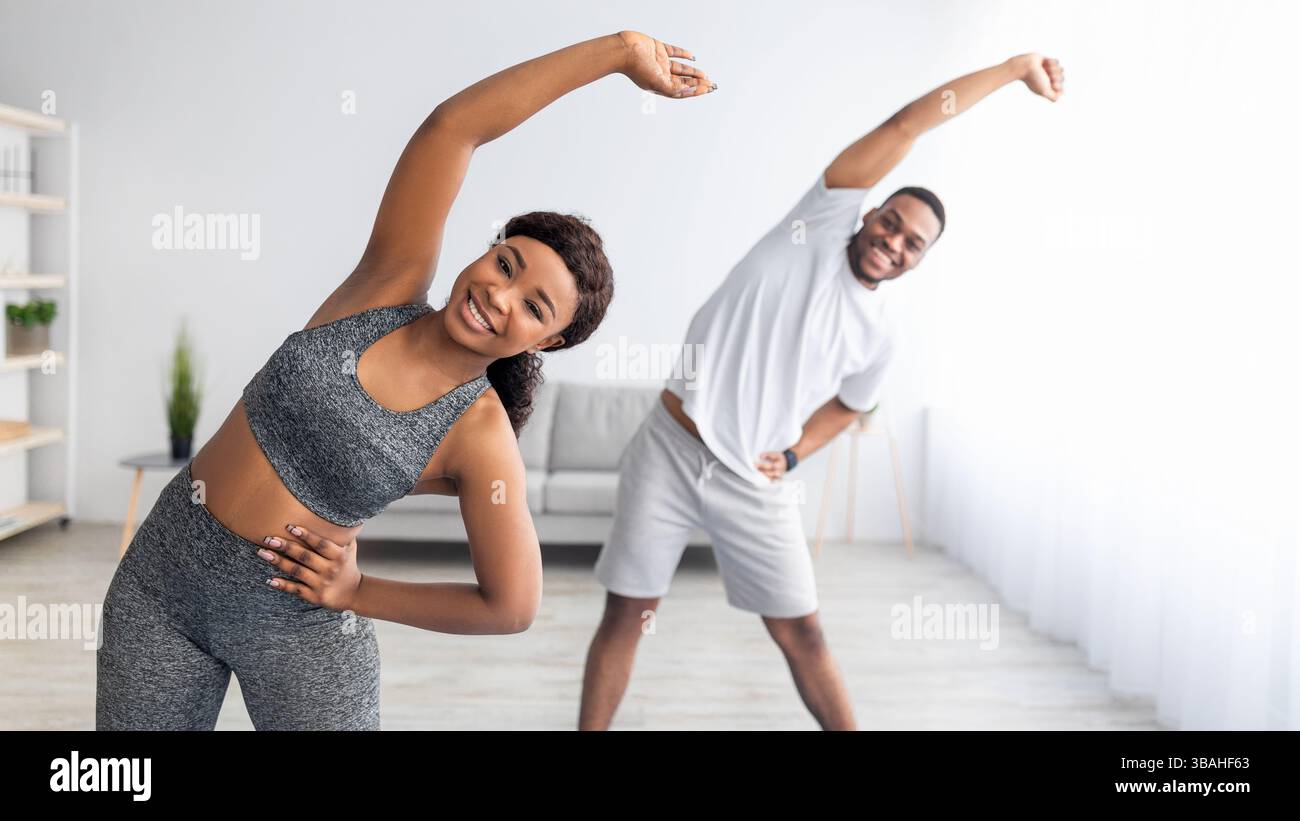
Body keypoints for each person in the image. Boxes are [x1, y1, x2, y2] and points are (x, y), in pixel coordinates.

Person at [96, 30, 716, 731]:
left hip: (297, 624)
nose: (500, 296)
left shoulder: (478, 432)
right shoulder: (384, 286)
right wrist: (617, 52)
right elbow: (453, 128)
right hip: (162, 581)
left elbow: (511, 604)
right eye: (506, 264)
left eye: (534, 307)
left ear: (550, 339)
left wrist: (359, 590)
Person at [581, 52, 1064, 730]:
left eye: (913, 244)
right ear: (870, 212)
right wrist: (1014, 70)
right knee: (628, 614)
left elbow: (850, 406)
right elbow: (906, 125)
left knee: (803, 633)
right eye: (891, 222)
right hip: (669, 447)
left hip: (753, 477)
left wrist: (798, 453)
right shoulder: (818, 223)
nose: (895, 242)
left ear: (920, 261)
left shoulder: (879, 336)